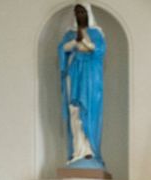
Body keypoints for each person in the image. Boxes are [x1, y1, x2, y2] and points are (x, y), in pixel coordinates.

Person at [58, 3, 106, 168]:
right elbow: (62, 49)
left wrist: (84, 42)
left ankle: (89, 151)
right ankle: (77, 151)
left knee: (89, 110)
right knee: (75, 111)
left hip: (90, 78)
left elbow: (99, 50)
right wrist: (74, 42)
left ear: (88, 14)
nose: (80, 15)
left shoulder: (96, 33)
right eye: (77, 12)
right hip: (75, 75)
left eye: (82, 11)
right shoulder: (70, 34)